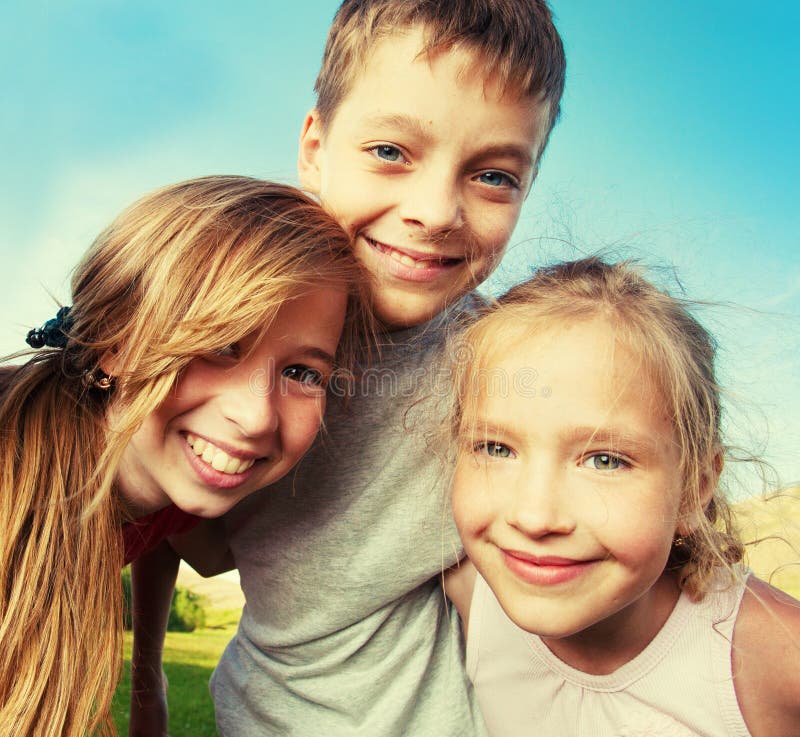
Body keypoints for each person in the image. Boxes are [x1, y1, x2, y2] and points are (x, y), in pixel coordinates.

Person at [129, 1, 567, 735]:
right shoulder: (221, 323)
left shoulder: (504, 364)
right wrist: (147, 678)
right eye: (391, 151)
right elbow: (156, 507)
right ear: (314, 147)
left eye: (493, 175)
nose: (435, 212)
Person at [0, 175, 369, 737]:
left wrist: (150, 681)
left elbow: (163, 537)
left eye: (301, 373)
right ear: (113, 341)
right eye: (221, 343)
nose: (256, 418)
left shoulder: (165, 480)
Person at [444, 257, 800, 737]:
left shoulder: (777, 658)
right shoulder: (475, 595)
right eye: (495, 447)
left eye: (605, 460)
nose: (533, 516)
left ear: (694, 487)